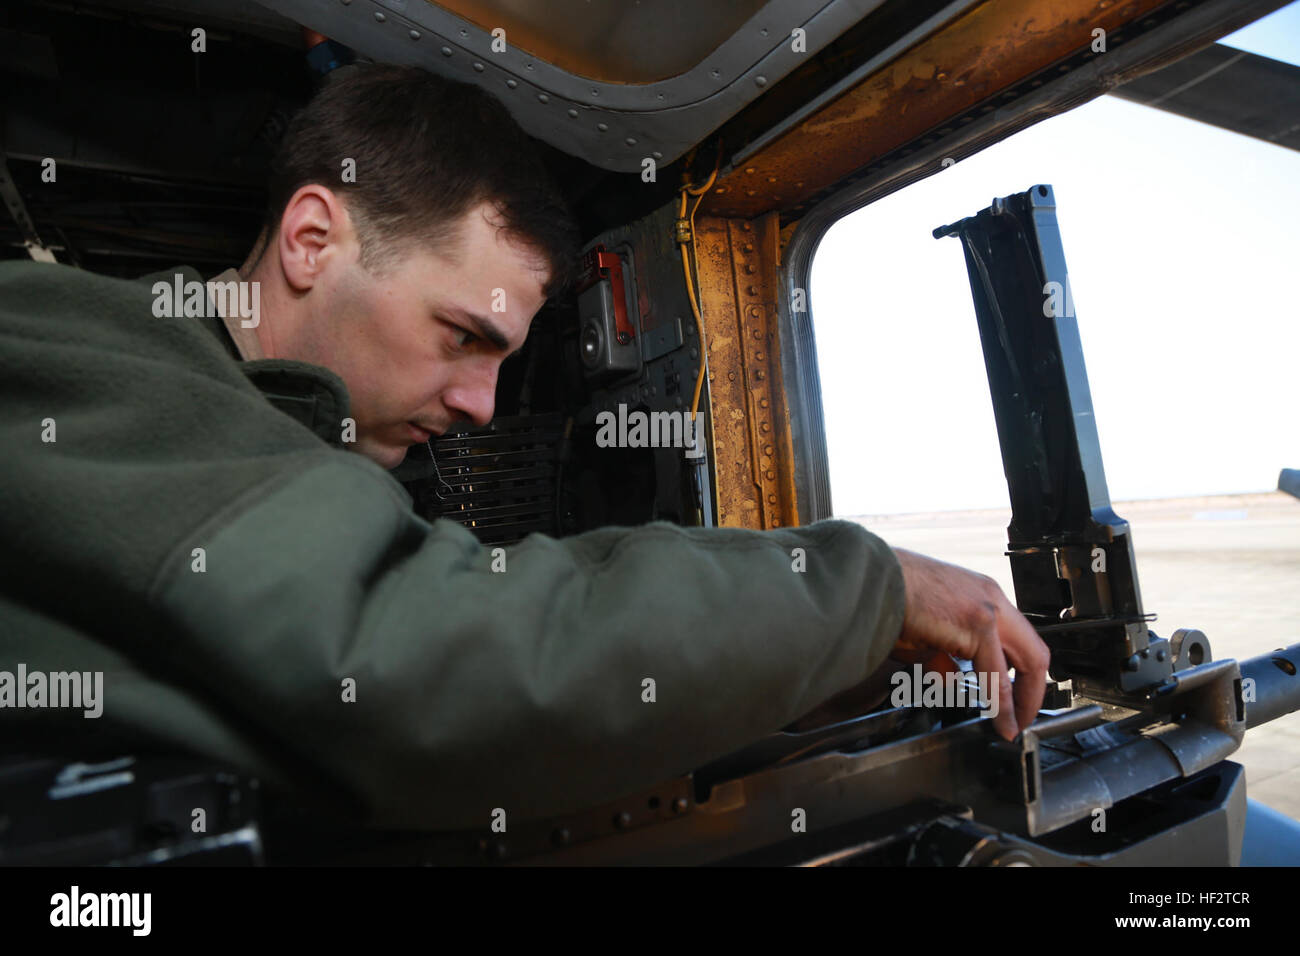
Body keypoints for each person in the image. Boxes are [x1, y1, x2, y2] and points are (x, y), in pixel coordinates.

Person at [0, 63, 1048, 832]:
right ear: (312, 241)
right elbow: (427, 661)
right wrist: (865, 586)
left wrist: (811, 677)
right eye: (462, 335)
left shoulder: (297, 452)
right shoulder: (64, 346)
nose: (483, 405)